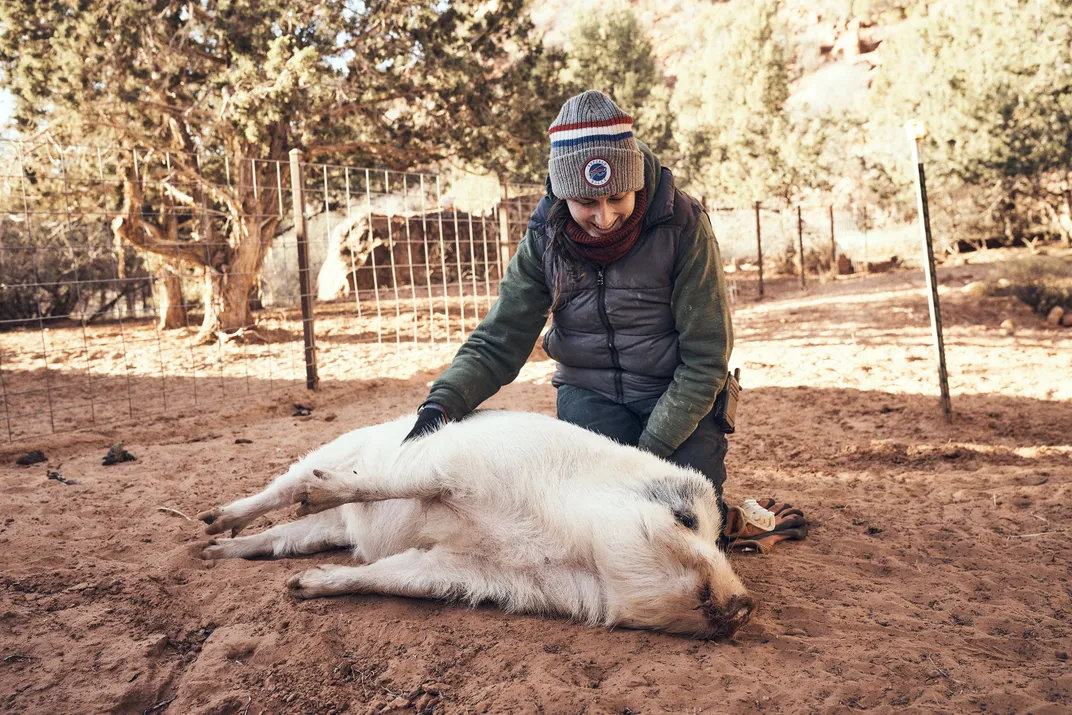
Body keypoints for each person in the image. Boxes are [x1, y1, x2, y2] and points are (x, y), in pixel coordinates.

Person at [404, 89, 736, 540]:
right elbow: (500, 338)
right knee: (597, 529)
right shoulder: (545, 235)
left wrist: (644, 456)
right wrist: (440, 405)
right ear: (563, 196)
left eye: (617, 197)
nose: (604, 218)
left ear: (635, 178)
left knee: (681, 527)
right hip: (590, 394)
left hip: (677, 398)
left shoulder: (683, 223)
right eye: (586, 203)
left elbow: (706, 358)